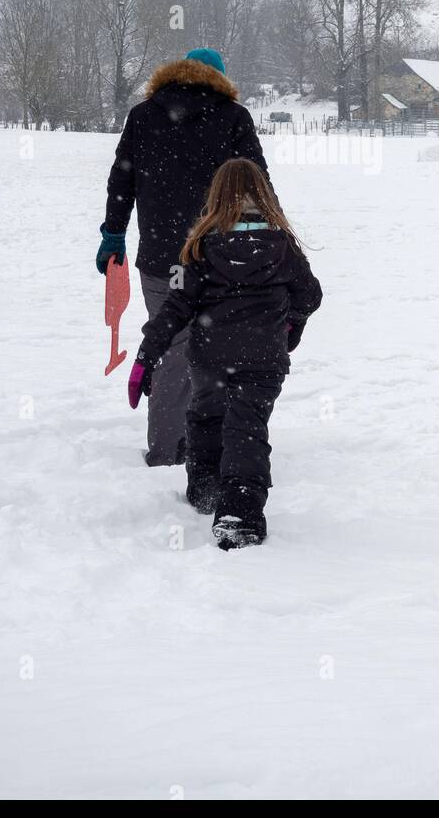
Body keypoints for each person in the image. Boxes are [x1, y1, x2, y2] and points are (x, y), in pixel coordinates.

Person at [127, 158, 322, 549]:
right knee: (246, 429)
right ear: (263, 196)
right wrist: (288, 328)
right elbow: (310, 295)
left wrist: (146, 356)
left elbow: (175, 308)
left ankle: (206, 488)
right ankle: (239, 513)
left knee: (206, 418)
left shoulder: (198, 249)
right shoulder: (283, 247)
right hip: (264, 359)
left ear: (215, 196)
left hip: (211, 357)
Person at [96, 48, 271, 469]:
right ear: (220, 78)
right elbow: (256, 183)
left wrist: (113, 234)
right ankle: (207, 444)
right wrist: (268, 238)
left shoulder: (143, 115)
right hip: (218, 255)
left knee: (171, 344)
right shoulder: (233, 117)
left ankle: (168, 448)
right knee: (216, 345)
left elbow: (122, 179)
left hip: (160, 257)